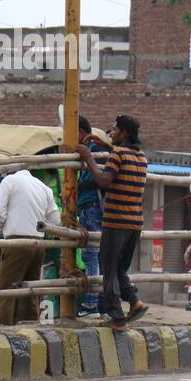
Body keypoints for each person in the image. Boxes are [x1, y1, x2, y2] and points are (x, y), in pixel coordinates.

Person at [77, 114, 149, 330]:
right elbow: (119, 157)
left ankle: (117, 317)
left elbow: (104, 180)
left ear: (124, 133)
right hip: (135, 223)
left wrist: (89, 158)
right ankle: (135, 302)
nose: (111, 132)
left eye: (115, 129)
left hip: (116, 221)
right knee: (119, 267)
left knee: (108, 269)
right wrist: (104, 145)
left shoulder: (118, 154)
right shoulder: (140, 157)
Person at [0, 168, 60, 326]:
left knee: (5, 290)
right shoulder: (43, 187)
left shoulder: (10, 181)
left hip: (16, 241)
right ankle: (29, 327)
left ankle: (0, 328)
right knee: (30, 289)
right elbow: (55, 219)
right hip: (39, 243)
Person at [76, 116, 106, 316]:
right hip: (89, 206)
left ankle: (92, 302)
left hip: (92, 206)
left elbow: (92, 178)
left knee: (91, 253)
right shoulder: (93, 148)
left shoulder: (94, 150)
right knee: (93, 253)